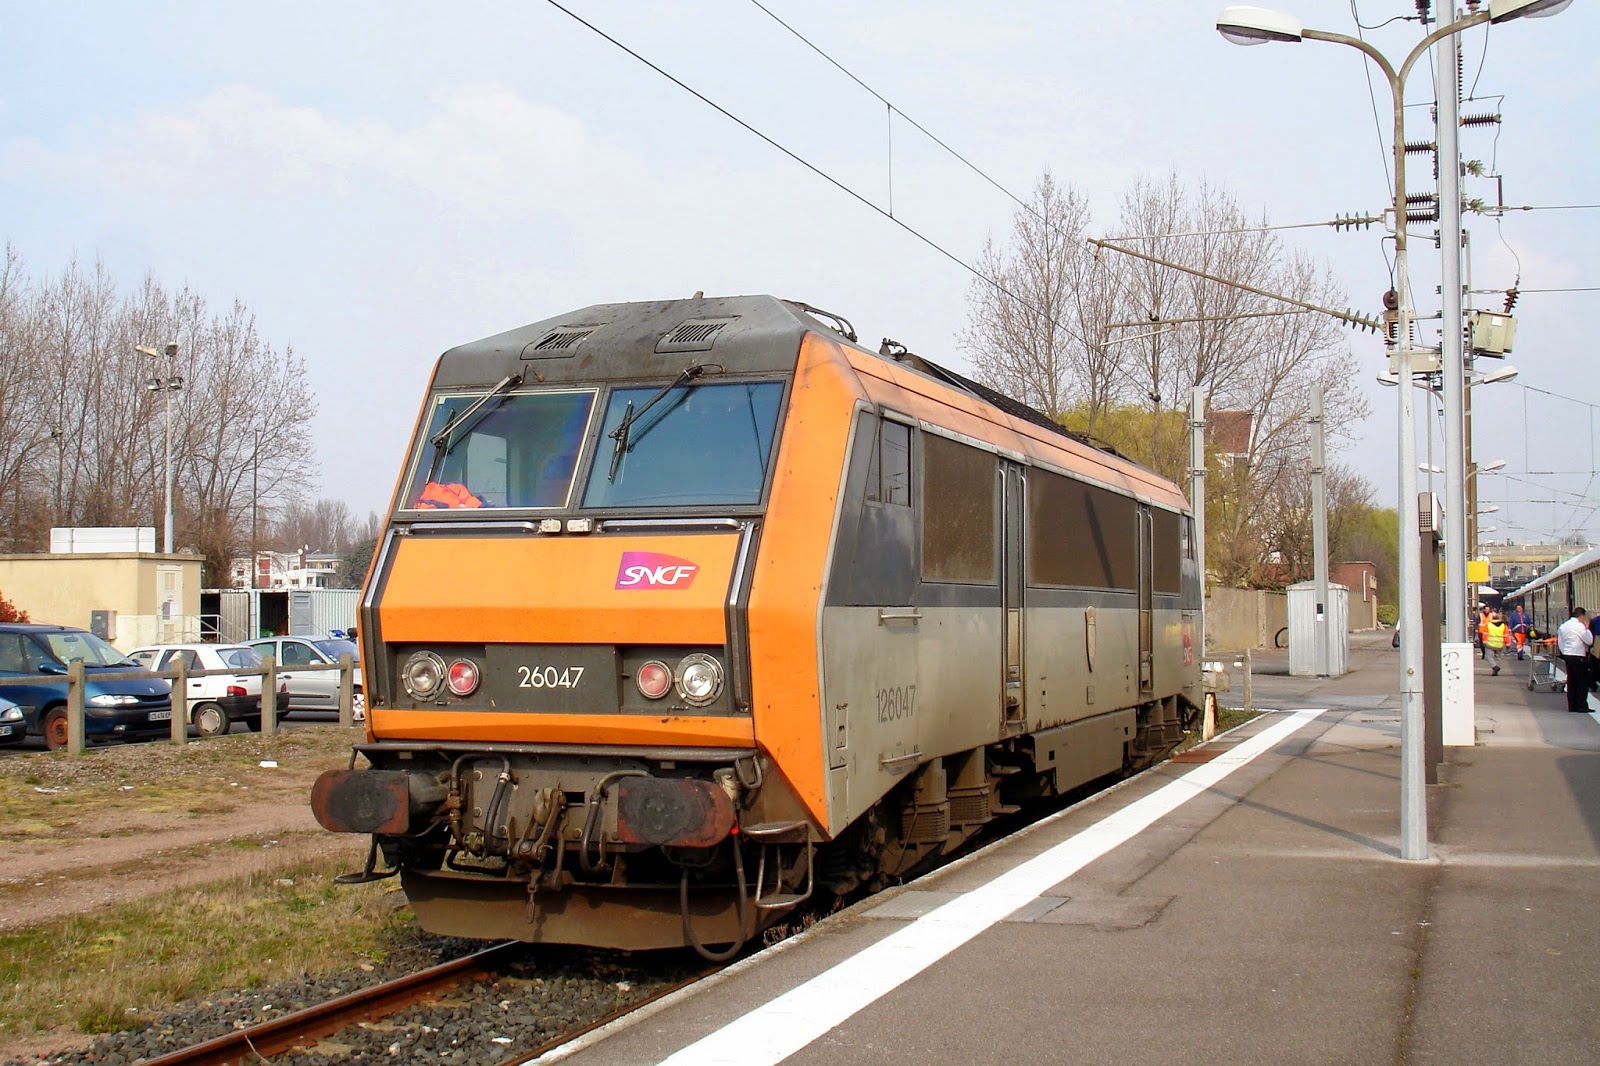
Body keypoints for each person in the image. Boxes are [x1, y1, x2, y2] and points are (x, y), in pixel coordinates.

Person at [1556, 607, 1593, 713]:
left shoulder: (1563, 626)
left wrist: (1565, 652)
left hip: (1568, 656)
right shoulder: (1580, 626)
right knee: (1581, 682)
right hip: (1578, 655)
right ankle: (1581, 705)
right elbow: (1589, 641)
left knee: (1571, 681)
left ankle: (1572, 706)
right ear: (1581, 616)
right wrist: (1587, 628)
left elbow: (1560, 643)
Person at [1483, 611, 1509, 676]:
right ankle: (1495, 670)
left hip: (1490, 644)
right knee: (1498, 658)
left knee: (1489, 657)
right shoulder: (1504, 626)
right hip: (1500, 645)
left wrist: (1484, 642)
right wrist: (1508, 644)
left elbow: (1485, 634)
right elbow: (1506, 636)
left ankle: (1494, 667)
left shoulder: (1488, 625)